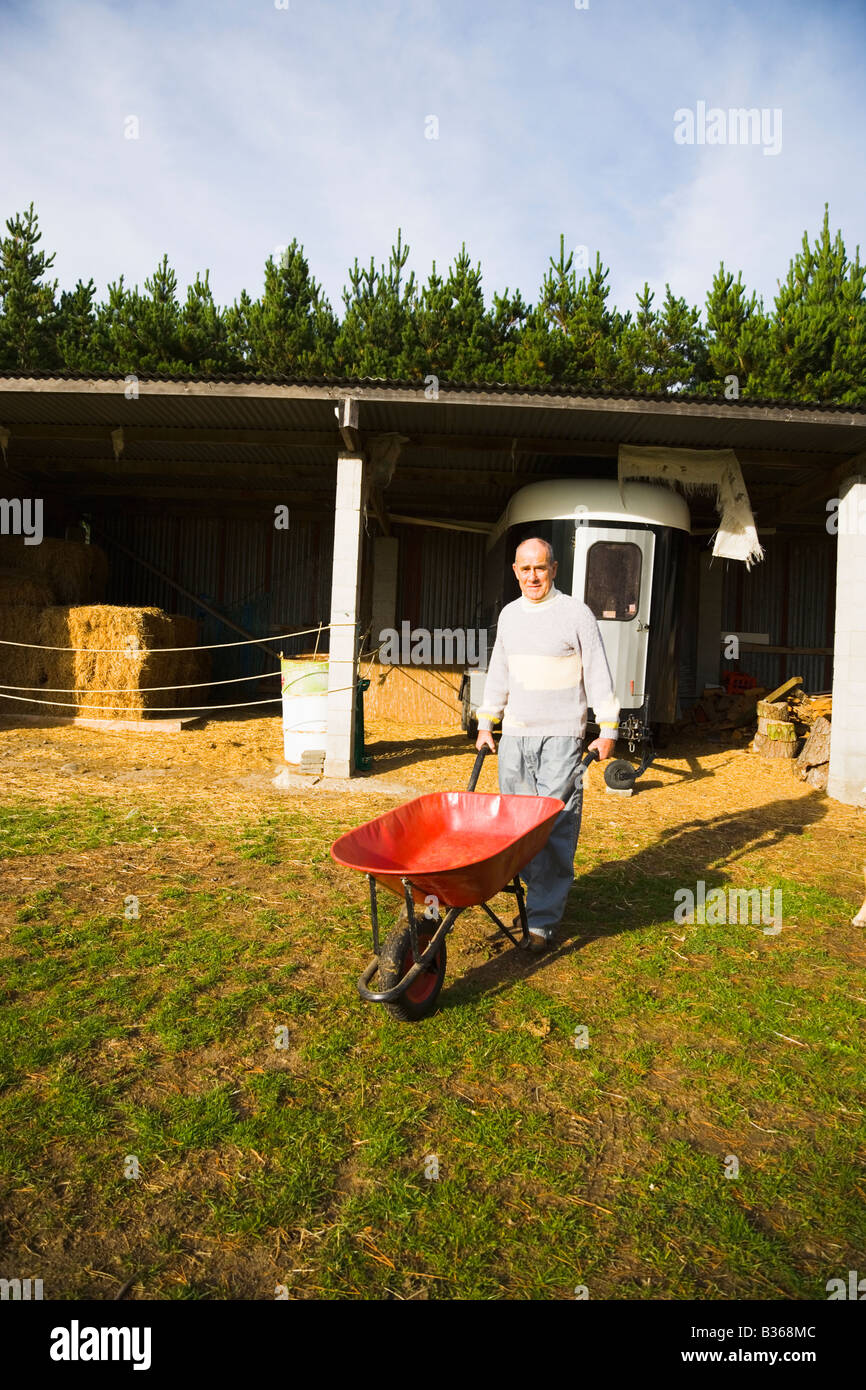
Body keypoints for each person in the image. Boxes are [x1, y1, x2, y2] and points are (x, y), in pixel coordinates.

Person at [475, 537, 620, 952]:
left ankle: (541, 921)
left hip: (561, 736)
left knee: (554, 826)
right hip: (515, 736)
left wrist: (607, 728)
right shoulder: (509, 615)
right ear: (515, 571)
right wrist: (487, 722)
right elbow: (499, 672)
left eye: (540, 567)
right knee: (518, 827)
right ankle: (532, 899)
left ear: (554, 569)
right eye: (525, 569)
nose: (533, 576)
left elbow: (597, 670)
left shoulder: (575, 613)